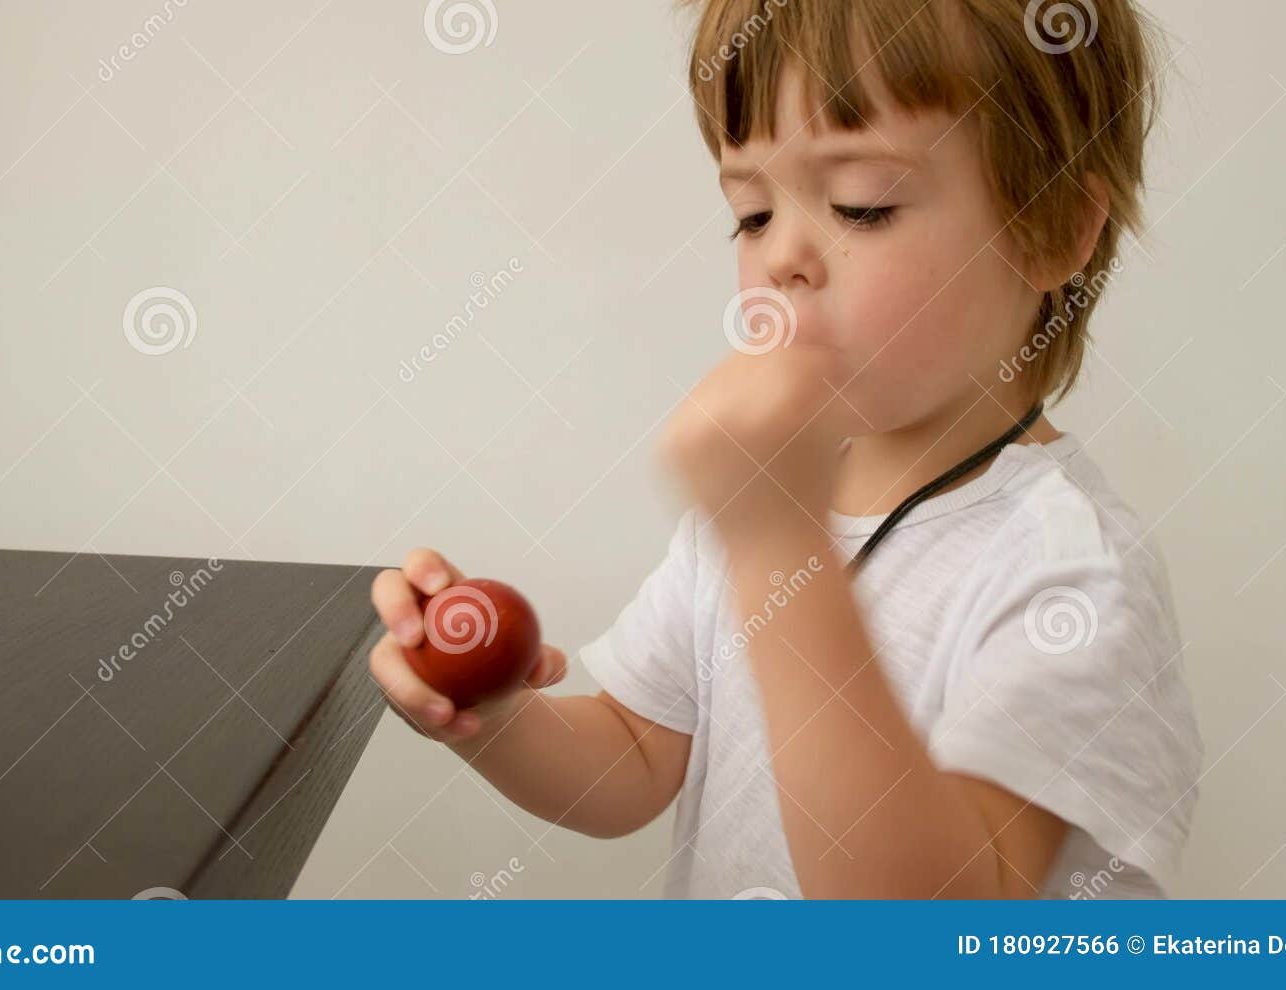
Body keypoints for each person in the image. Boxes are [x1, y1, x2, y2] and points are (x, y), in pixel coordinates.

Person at [369, 0, 1203, 899]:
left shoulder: (1069, 576)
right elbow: (639, 752)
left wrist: (776, 541)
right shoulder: (763, 503)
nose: (784, 259)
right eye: (753, 214)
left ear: (1050, 230)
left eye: (862, 205)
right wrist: (489, 713)